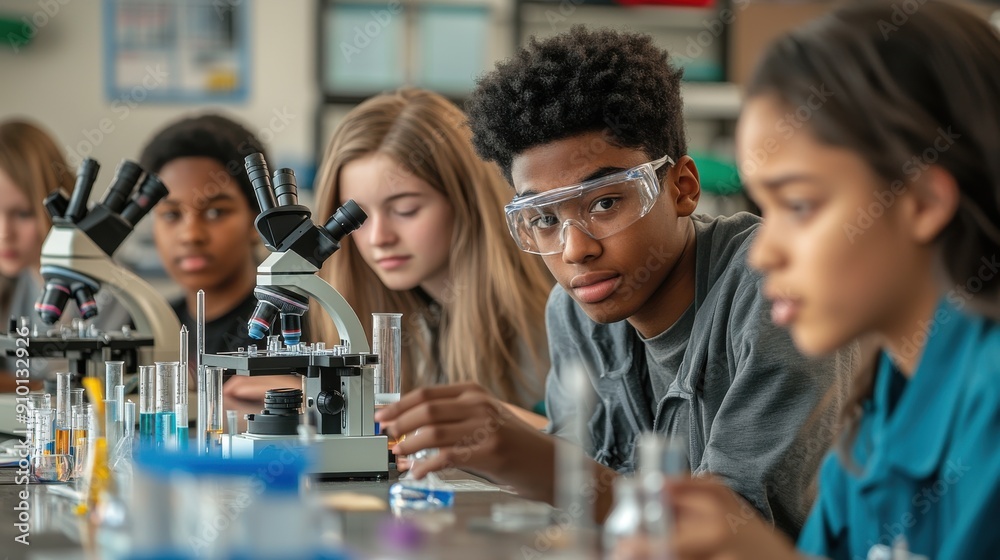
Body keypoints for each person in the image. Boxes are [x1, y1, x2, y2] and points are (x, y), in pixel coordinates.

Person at [374, 28, 855, 532]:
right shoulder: (573, 311)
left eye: (604, 203)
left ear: (683, 189)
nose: (575, 249)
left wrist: (547, 469)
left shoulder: (771, 290)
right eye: (543, 218)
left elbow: (738, 532)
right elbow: (578, 516)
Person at [614, 2, 1000, 559]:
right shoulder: (882, 406)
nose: (765, 251)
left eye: (798, 204)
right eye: (763, 206)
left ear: (920, 201)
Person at [312, 88, 553, 425]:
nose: (379, 238)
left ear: (466, 201)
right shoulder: (415, 323)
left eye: (406, 210)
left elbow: (603, 455)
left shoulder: (558, 314)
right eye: (358, 219)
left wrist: (495, 424)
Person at [139, 114, 298, 403]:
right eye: (172, 214)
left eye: (215, 212)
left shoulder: (299, 323)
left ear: (257, 221)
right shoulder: (147, 325)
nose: (191, 235)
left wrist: (306, 399)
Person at [0, 120, 75, 390]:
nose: (4, 232)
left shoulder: (98, 292)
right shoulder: (19, 281)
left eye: (22, 213)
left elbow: (73, 391)